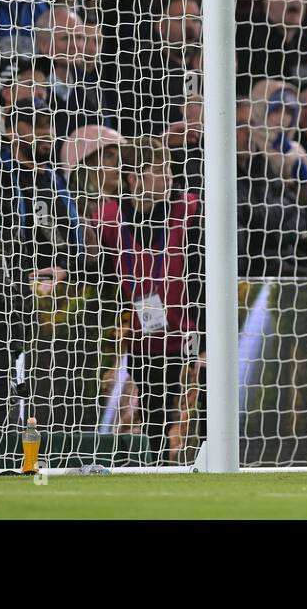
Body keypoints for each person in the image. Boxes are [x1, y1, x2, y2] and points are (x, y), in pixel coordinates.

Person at [92, 135, 202, 462]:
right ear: (133, 177)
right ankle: (158, 468)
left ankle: (201, 467)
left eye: (169, 167)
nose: (169, 175)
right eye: (159, 168)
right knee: (153, 413)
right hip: (142, 336)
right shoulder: (108, 218)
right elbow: (95, 269)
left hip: (189, 334)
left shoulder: (189, 210)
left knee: (191, 411)